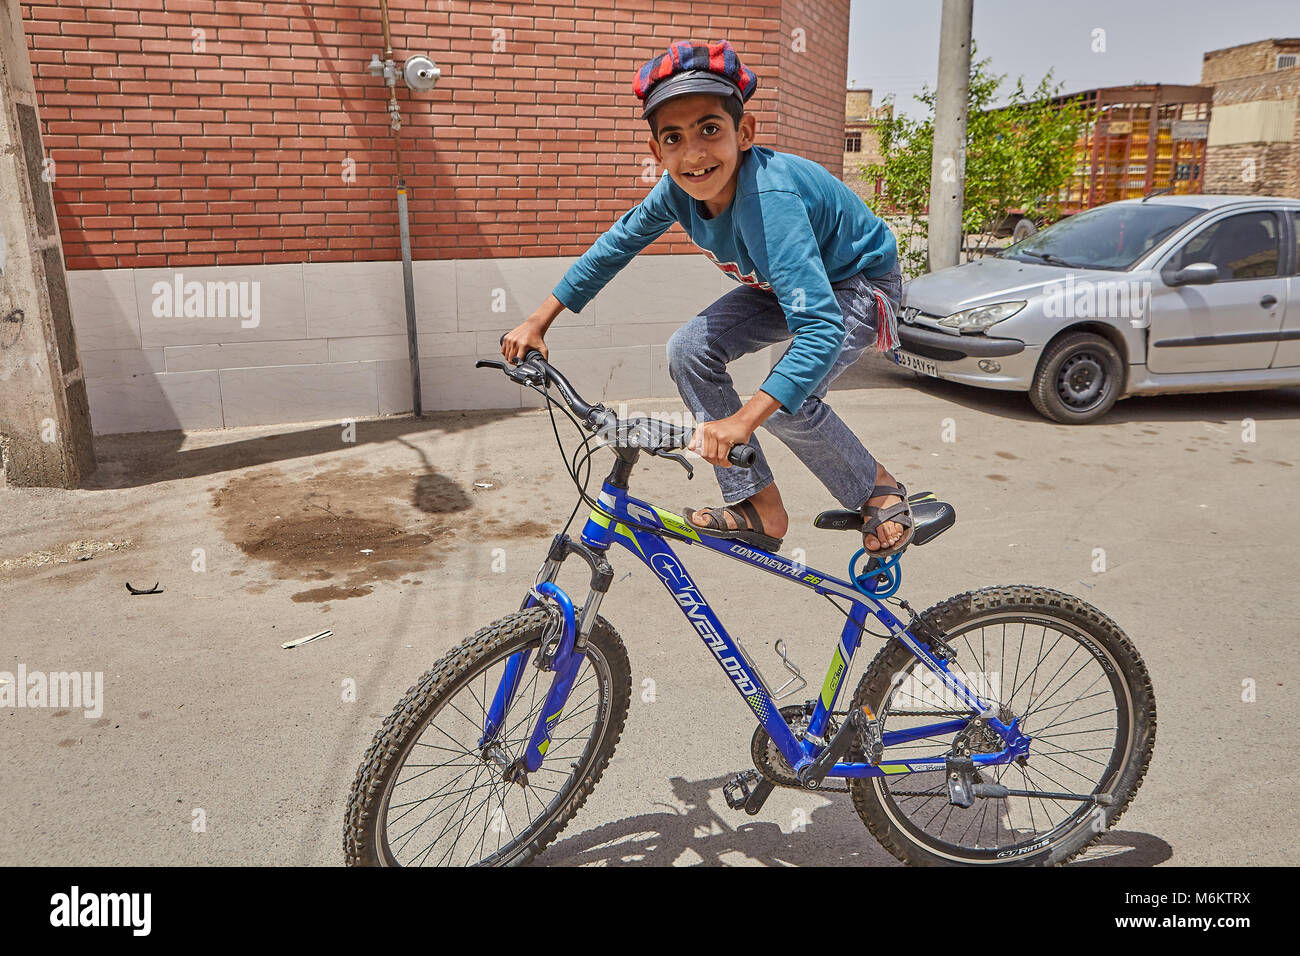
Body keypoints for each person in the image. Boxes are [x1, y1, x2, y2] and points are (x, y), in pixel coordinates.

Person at [502, 39, 913, 556]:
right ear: (657, 152)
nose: (693, 153)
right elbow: (614, 247)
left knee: (787, 402)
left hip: (859, 283)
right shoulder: (676, 190)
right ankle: (759, 506)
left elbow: (822, 327)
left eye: (710, 130)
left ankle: (876, 487)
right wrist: (539, 321)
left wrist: (742, 422)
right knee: (690, 349)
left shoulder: (771, 197)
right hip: (781, 288)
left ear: (744, 133)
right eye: (674, 137)